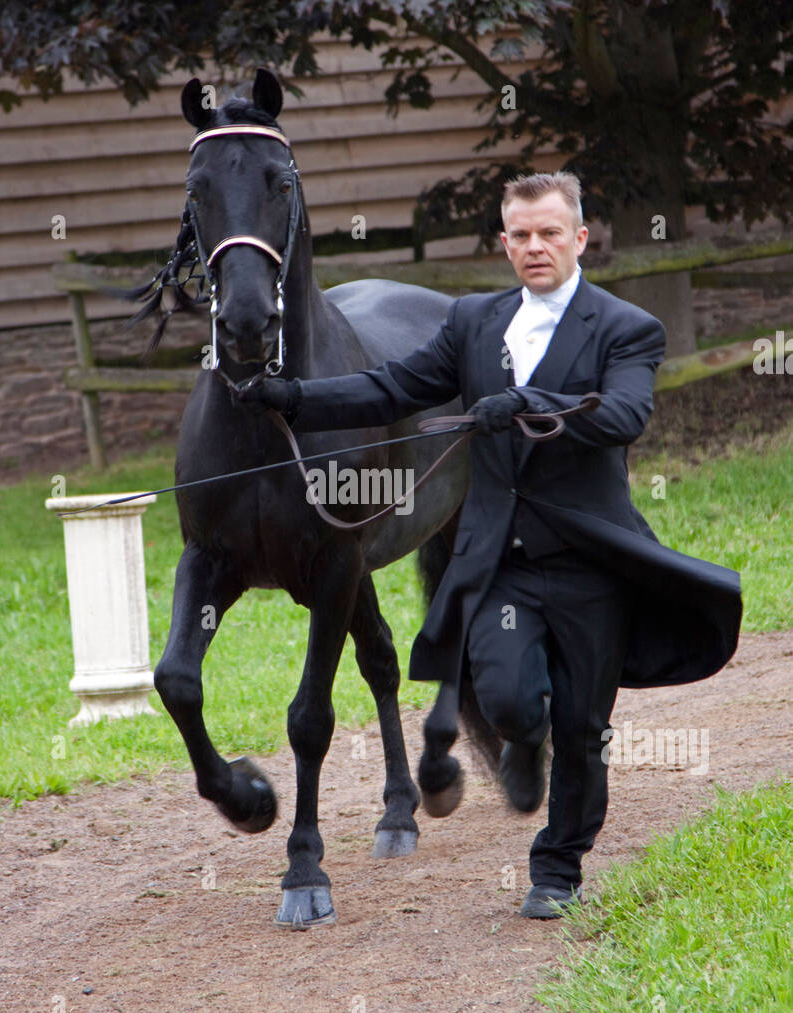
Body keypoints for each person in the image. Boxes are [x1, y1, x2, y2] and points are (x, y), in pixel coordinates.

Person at [236, 172, 742, 919]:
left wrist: (530, 403)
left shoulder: (626, 328)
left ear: (579, 237)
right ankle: (521, 740)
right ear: (503, 243)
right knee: (508, 698)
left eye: (549, 233)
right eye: (521, 236)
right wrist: (297, 399)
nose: (535, 247)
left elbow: (624, 415)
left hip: (591, 562)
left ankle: (557, 869)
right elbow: (391, 387)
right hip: (500, 560)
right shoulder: (473, 323)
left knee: (583, 727)